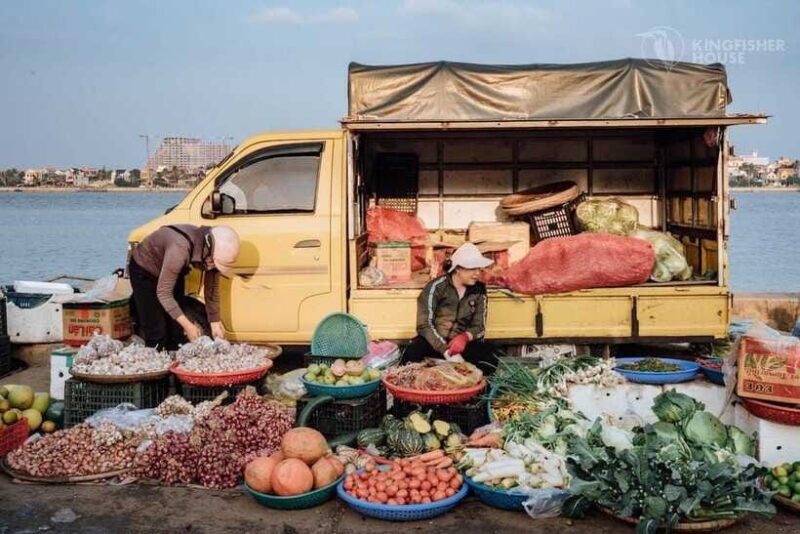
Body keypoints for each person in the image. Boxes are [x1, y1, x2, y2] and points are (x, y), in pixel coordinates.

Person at [128, 224, 240, 350]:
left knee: (177, 331)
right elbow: (164, 293)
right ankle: (156, 362)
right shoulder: (179, 248)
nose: (212, 267)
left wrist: (215, 322)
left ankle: (176, 361)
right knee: (157, 331)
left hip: (173, 269)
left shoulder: (213, 254)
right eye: (212, 263)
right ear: (207, 247)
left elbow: (212, 290)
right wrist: (189, 326)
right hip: (145, 271)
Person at [404, 242, 499, 374]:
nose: (477, 273)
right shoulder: (436, 287)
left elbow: (479, 327)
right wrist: (445, 350)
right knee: (412, 351)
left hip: (461, 345)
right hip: (434, 343)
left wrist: (464, 337)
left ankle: (478, 393)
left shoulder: (479, 290)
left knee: (490, 355)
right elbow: (424, 325)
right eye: (472, 268)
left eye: (479, 268)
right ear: (458, 269)